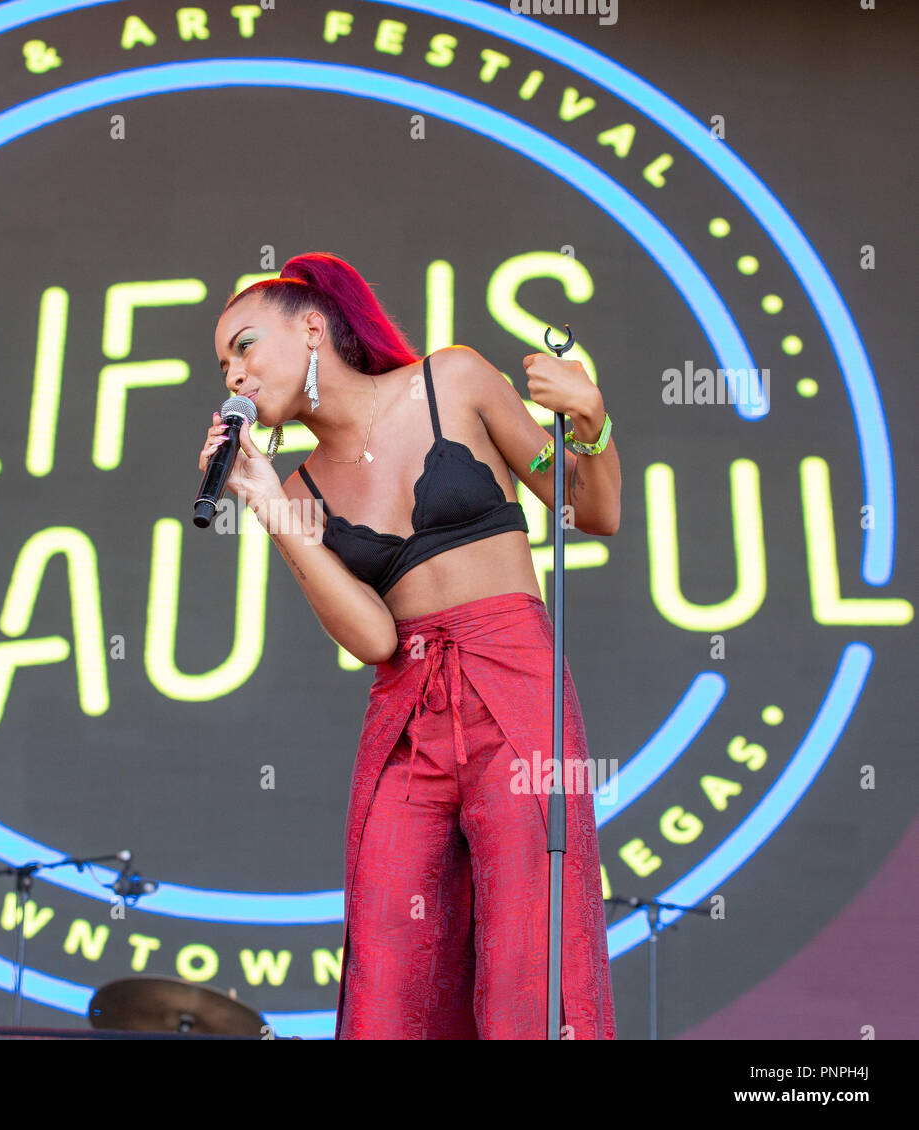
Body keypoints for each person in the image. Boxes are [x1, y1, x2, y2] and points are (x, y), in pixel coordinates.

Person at [200, 252, 620, 1040]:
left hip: (511, 679)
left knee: (531, 941)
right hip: (406, 713)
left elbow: (586, 508)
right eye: (225, 364)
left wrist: (594, 426)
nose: (235, 376)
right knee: (391, 956)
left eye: (245, 346)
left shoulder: (453, 380)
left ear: (314, 327)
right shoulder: (299, 489)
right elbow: (372, 637)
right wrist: (260, 500)